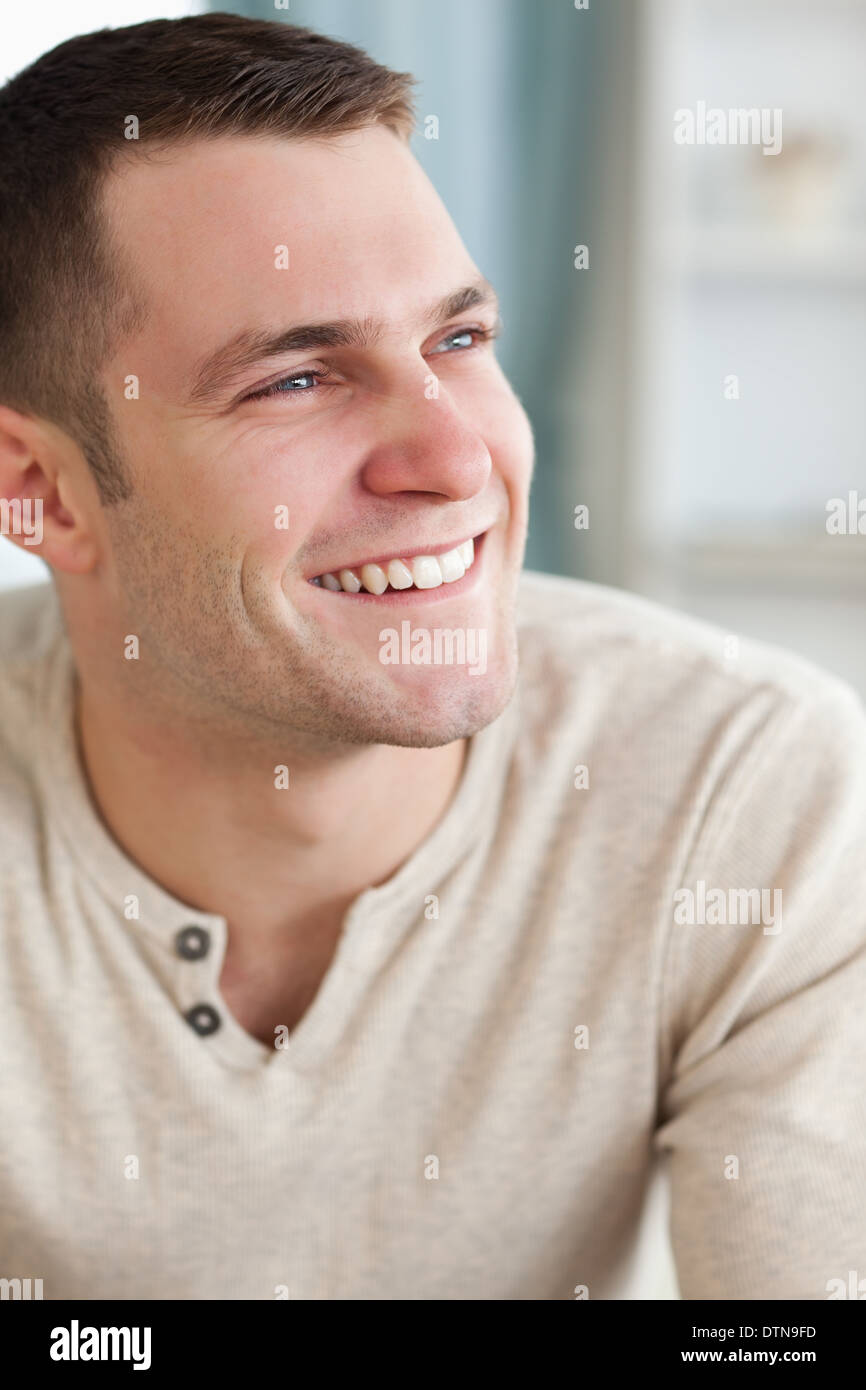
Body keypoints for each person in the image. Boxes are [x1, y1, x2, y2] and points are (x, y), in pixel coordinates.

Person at [0, 12, 863, 1302]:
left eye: (459, 341)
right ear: (43, 494)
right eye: (295, 379)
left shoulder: (743, 785)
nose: (462, 460)